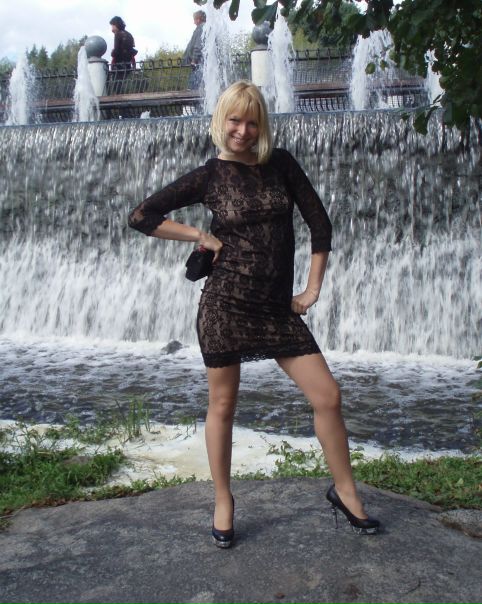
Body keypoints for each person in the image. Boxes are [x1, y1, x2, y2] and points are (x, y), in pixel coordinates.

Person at [128, 80, 380, 547]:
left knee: (328, 396)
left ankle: (345, 492)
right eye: (234, 120)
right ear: (221, 121)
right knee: (223, 405)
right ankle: (223, 500)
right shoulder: (209, 176)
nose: (242, 131)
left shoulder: (280, 164)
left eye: (251, 122)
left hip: (276, 310)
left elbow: (320, 225)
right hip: (225, 305)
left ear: (261, 125)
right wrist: (199, 236)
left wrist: (312, 290)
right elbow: (142, 216)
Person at [109, 16, 137, 93]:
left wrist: (112, 53)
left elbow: (116, 51)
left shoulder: (118, 34)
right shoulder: (129, 35)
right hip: (127, 64)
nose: (112, 28)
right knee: (122, 84)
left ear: (116, 25)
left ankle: (118, 98)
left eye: (112, 25)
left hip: (118, 65)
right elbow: (131, 49)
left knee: (116, 86)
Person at [182, 10, 206, 90]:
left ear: (198, 19)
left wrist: (194, 60)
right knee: (197, 88)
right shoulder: (203, 28)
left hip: (198, 64)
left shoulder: (201, 28)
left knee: (194, 90)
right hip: (200, 64)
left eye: (194, 19)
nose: (194, 22)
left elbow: (198, 46)